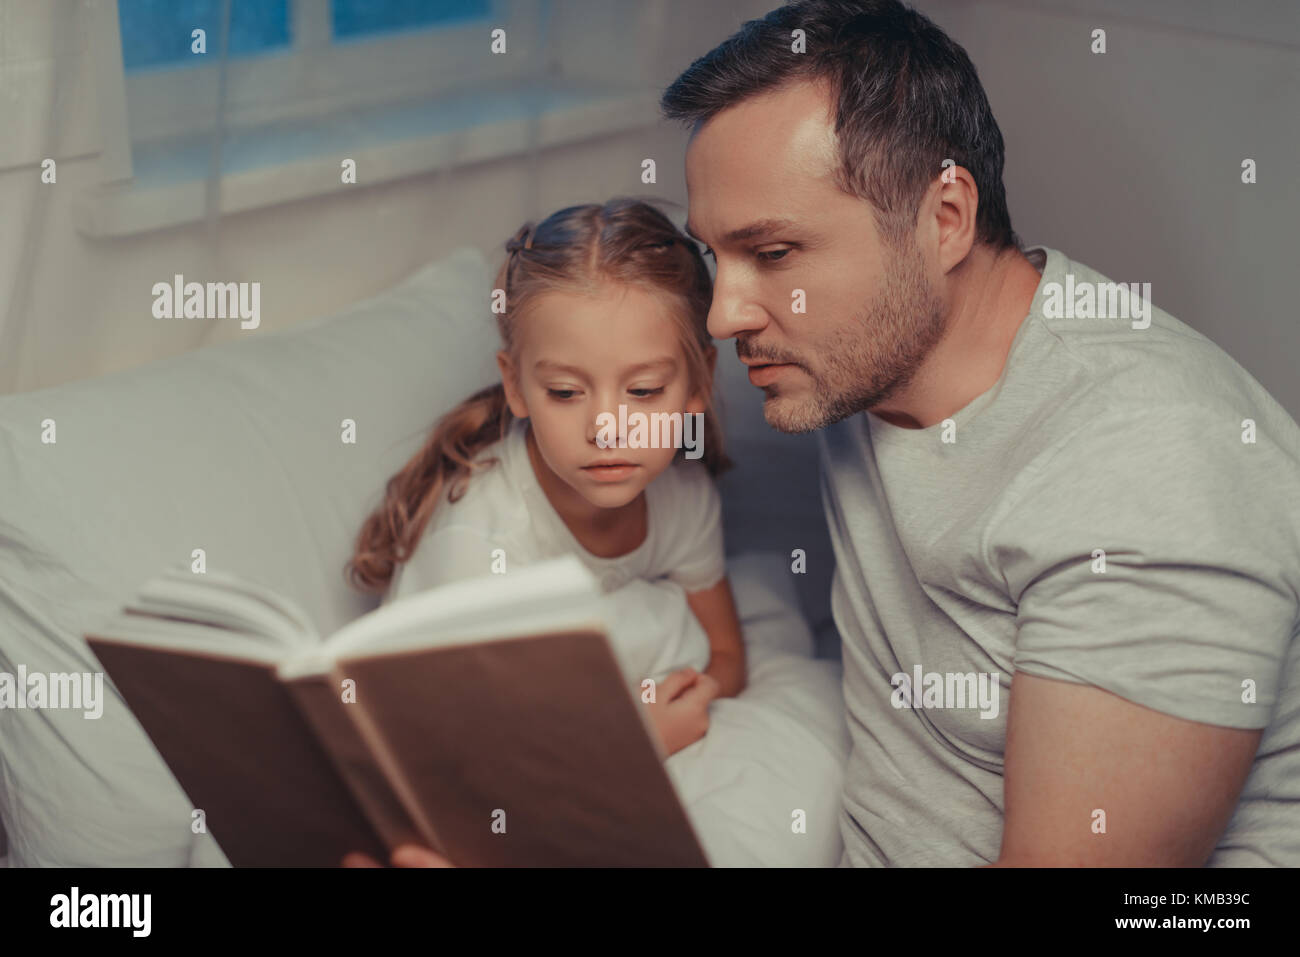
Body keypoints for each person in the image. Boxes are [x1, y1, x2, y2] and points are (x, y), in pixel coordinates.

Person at [658, 0, 1300, 866]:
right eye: (712, 257)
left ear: (945, 218)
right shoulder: (859, 361)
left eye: (772, 254)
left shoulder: (1153, 466)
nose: (725, 313)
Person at [346, 197, 746, 765]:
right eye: (565, 392)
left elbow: (727, 656)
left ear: (698, 380)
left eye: (643, 390)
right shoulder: (479, 546)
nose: (606, 429)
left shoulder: (683, 497)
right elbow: (454, 745)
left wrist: (688, 696)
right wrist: (628, 739)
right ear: (516, 386)